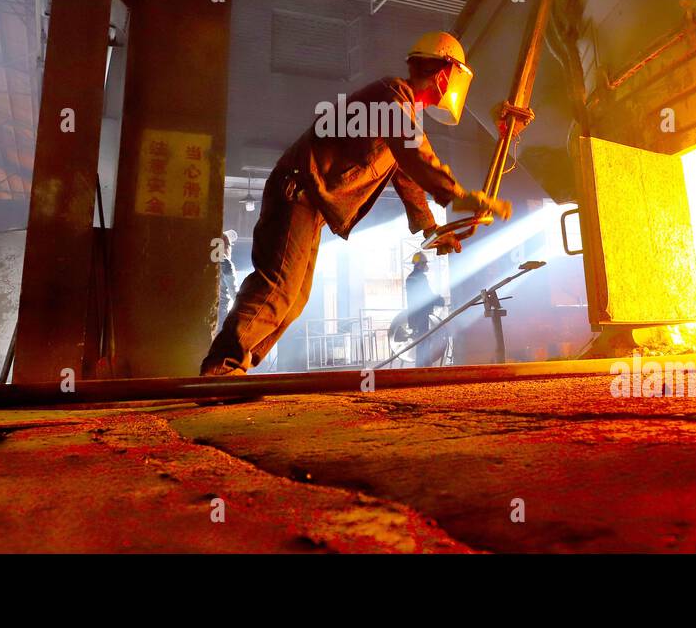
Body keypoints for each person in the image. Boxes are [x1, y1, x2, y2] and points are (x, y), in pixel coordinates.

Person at [200, 32, 511, 377]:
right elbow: (413, 151)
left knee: (294, 299)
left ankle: (235, 371)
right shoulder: (391, 96)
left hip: (310, 200)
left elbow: (406, 176)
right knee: (278, 287)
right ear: (444, 75)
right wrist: (457, 194)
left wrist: (431, 228)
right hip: (298, 190)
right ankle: (221, 370)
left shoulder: (399, 112)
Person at [217, 229, 238, 333]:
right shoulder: (227, 264)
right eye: (229, 245)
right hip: (220, 316)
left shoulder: (207, 260)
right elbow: (234, 294)